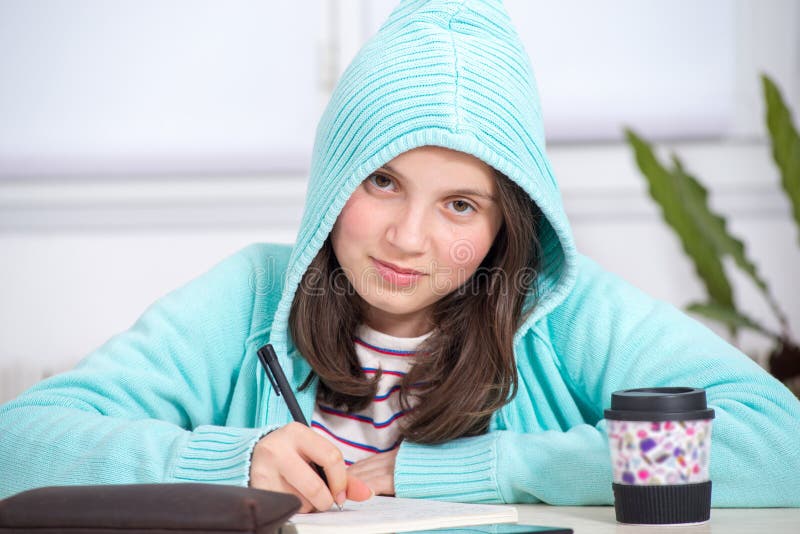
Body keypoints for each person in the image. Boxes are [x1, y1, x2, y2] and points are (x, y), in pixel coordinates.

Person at [1, 0, 799, 512]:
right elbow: (19, 442)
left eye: (460, 204)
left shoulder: (566, 314)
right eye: (382, 181)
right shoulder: (246, 297)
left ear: (503, 226)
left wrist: (487, 470)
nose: (408, 239)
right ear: (333, 177)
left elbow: (780, 443)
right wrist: (230, 460)